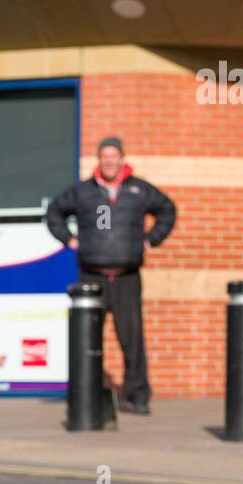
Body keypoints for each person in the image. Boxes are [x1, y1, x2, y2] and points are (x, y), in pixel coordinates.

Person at [46, 137, 176, 414]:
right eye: (104, 156)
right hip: (91, 277)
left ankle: (137, 396)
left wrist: (151, 239)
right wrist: (68, 239)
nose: (108, 161)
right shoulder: (83, 192)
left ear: (121, 159)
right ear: (99, 159)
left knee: (132, 339)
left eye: (113, 156)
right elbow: (54, 212)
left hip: (127, 275)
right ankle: (85, 394)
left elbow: (168, 210)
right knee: (86, 338)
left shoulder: (139, 190)